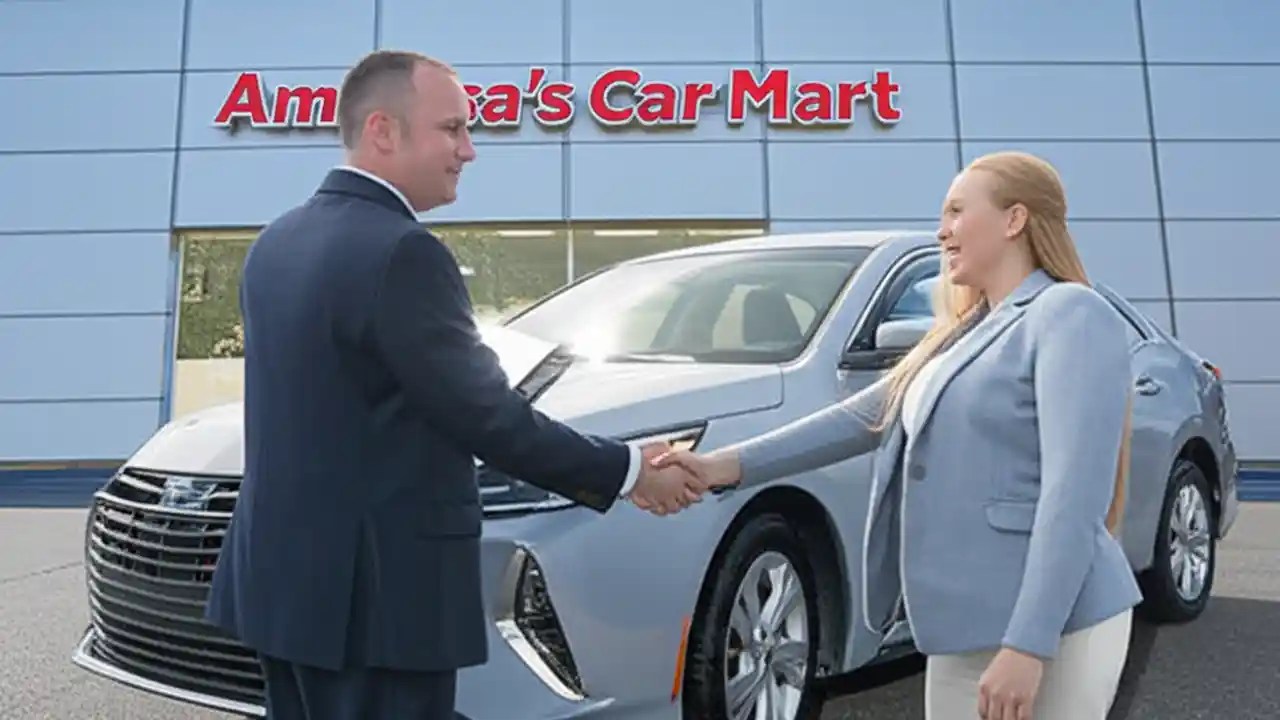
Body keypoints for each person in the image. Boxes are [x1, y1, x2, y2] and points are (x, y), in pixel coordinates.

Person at [204, 50, 706, 720]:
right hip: (376, 607)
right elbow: (488, 417)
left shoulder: (278, 241)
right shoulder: (403, 253)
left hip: (284, 591)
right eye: (452, 129)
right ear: (383, 130)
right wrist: (629, 470)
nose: (468, 150)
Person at [653, 150, 1142, 720]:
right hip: (965, 622)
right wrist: (724, 466)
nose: (942, 230)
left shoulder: (1068, 312)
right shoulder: (966, 332)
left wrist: (1029, 643)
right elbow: (865, 416)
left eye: (958, 211)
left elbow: (1073, 495)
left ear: (1015, 220)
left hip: (1056, 623)